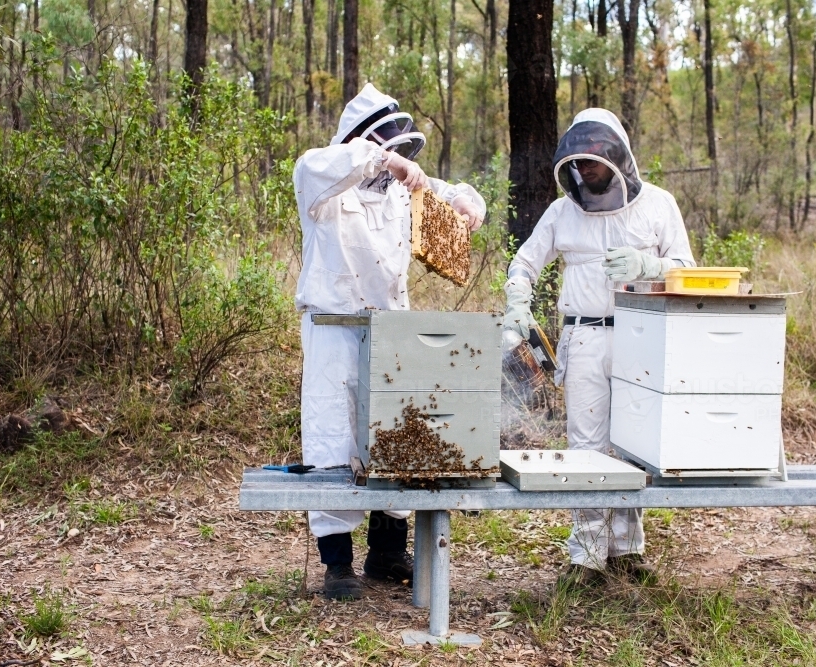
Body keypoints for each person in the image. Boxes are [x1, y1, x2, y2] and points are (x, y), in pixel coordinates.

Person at [294, 83, 486, 600]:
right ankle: (337, 564)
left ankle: (386, 552)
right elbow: (318, 162)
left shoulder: (400, 192)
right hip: (334, 331)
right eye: (388, 150)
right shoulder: (320, 186)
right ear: (361, 142)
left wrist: (469, 205)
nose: (397, 163)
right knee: (334, 436)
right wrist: (384, 160)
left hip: (392, 332)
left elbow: (457, 196)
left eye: (400, 153)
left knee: (397, 436)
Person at [502, 108, 695, 585]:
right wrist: (518, 299)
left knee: (633, 445)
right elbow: (524, 262)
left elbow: (686, 266)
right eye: (578, 162)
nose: (585, 169)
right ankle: (587, 556)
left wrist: (648, 266)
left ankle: (627, 552)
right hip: (584, 336)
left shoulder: (658, 205)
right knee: (587, 447)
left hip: (641, 332)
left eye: (593, 160)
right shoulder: (562, 211)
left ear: (617, 159)